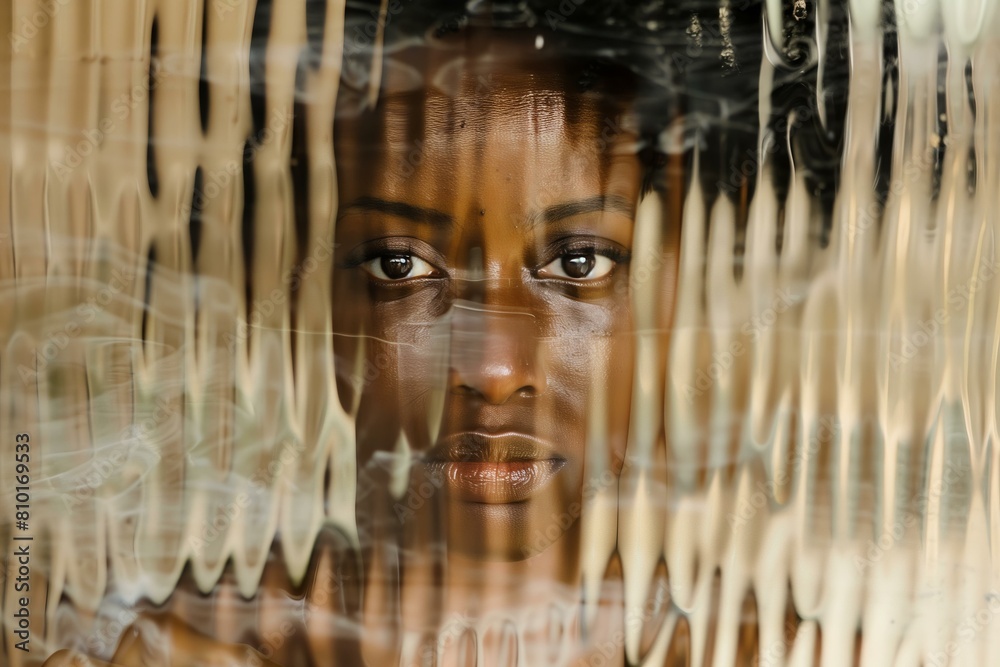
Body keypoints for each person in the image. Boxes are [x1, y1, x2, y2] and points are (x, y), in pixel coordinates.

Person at [43, 3, 680, 665]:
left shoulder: (762, 642)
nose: (493, 368)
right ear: (304, 293)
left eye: (579, 262)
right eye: (398, 266)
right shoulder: (147, 646)